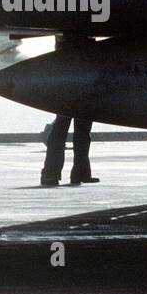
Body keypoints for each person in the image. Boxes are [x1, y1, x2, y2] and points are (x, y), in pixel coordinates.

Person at [41, 36, 99, 187]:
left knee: (67, 128)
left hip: (70, 79)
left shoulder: (66, 38)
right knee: (75, 129)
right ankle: (73, 173)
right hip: (77, 79)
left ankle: (54, 173)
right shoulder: (79, 38)